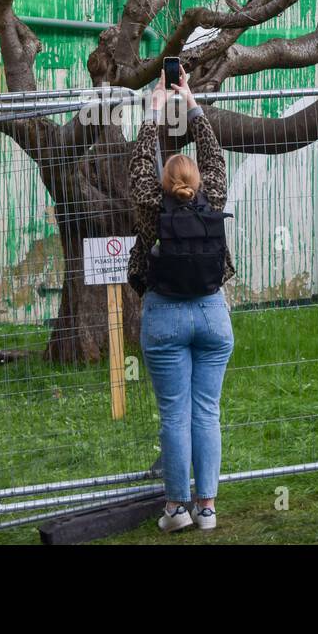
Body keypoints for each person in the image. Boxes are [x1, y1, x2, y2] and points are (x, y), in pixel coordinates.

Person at [128, 69, 235, 532]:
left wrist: (153, 111)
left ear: (165, 181)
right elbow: (212, 152)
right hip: (212, 314)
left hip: (165, 314)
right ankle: (207, 508)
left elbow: (137, 165)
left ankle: (175, 510)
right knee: (207, 412)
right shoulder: (213, 195)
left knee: (174, 413)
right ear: (196, 181)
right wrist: (190, 101)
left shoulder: (151, 203)